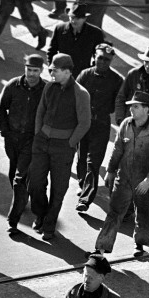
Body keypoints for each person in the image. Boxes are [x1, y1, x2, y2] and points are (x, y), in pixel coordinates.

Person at [94, 90, 149, 257]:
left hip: (144, 181)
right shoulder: (126, 124)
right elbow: (118, 149)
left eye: (135, 106)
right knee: (114, 212)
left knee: (143, 212)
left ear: (146, 109)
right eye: (131, 107)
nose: (131, 110)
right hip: (124, 178)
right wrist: (111, 171)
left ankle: (140, 244)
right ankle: (101, 248)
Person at [28, 52, 91, 235]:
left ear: (66, 71)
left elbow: (84, 123)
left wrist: (70, 143)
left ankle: (49, 224)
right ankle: (40, 214)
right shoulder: (49, 88)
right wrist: (38, 134)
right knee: (35, 184)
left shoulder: (80, 93)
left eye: (54, 70)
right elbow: (40, 111)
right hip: (41, 143)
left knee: (59, 189)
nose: (51, 74)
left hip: (63, 147)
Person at [0, 53, 46, 230]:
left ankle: (13, 220)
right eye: (28, 69)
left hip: (31, 140)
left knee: (20, 177)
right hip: (12, 138)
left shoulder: (46, 89)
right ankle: (22, 198)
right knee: (14, 170)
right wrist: (5, 132)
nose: (31, 74)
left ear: (41, 71)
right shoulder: (13, 86)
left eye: (35, 71)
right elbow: (2, 108)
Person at [75, 43, 121, 211]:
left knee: (93, 162)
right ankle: (83, 185)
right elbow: (74, 96)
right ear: (94, 56)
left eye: (107, 59)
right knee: (81, 159)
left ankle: (85, 199)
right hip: (83, 123)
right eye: (100, 58)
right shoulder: (85, 75)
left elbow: (118, 103)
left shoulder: (116, 80)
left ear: (111, 61)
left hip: (101, 125)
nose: (102, 62)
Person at [46, 3, 106, 75]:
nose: (74, 21)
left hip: (83, 74)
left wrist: (91, 72)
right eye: (72, 17)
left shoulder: (95, 33)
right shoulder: (60, 29)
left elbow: (100, 56)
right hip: (61, 73)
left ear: (84, 18)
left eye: (78, 18)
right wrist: (52, 67)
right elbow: (51, 50)